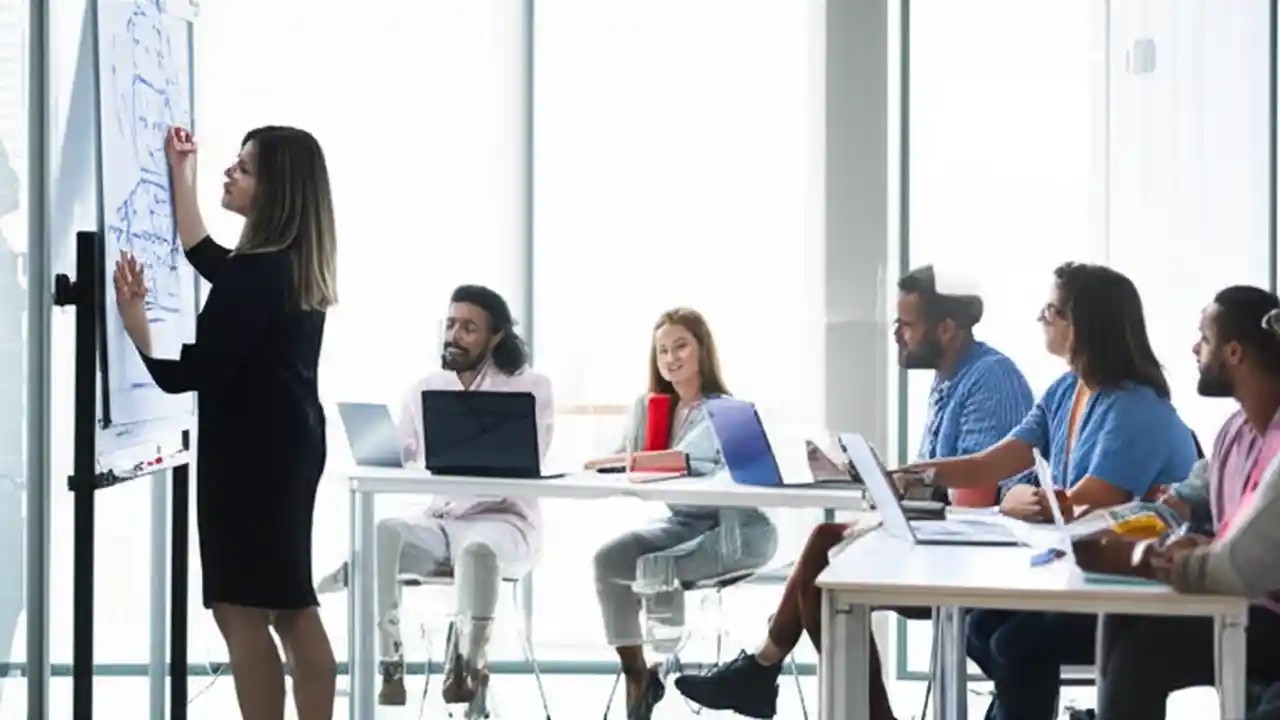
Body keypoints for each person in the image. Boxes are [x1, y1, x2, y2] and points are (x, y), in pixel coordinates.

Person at [673, 265, 1034, 720]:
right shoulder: (950, 379)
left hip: (979, 560)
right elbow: (941, 484)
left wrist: (892, 490)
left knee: (828, 561)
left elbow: (976, 492)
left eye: (907, 324)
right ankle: (764, 672)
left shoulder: (990, 377)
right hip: (955, 545)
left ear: (946, 329)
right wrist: (875, 480)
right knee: (827, 545)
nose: (898, 335)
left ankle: (763, 672)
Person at [112, 126, 338, 720]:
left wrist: (138, 326)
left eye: (244, 168)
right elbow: (200, 251)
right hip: (285, 450)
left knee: (242, 609)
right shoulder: (282, 265)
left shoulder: (256, 273)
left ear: (277, 190)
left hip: (251, 459)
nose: (229, 173)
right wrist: (182, 173)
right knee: (288, 603)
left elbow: (190, 373)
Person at [906, 263, 1197, 720]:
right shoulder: (1067, 390)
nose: (1042, 319)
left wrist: (1013, 501)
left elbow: (1082, 503)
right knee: (978, 625)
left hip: (1136, 594)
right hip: (1080, 576)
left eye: (1052, 310)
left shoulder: (1136, 408)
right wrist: (908, 475)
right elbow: (990, 463)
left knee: (1013, 641)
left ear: (1085, 324)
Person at [316, 285, 553, 709]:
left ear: (494, 336)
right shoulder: (425, 387)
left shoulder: (530, 387)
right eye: (450, 324)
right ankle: (391, 662)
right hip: (443, 523)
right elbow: (405, 455)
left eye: (468, 327)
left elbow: (532, 457)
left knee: (479, 550)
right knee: (384, 533)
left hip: (506, 522)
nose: (455, 335)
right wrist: (378, 446)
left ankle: (468, 665)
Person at [1075, 286, 1280, 720]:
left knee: (1144, 651)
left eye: (1203, 339)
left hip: (1264, 612)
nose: (1194, 348)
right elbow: (1177, 505)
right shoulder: (1234, 433)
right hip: (1243, 606)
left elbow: (1239, 567)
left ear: (1235, 353)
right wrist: (1099, 527)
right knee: (1123, 620)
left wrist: (1139, 557)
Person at [586, 307, 778, 720]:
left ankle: (663, 664)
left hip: (738, 528)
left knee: (654, 564)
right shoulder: (650, 408)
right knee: (609, 560)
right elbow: (625, 460)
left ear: (701, 351)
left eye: (680, 347)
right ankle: (638, 674)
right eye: (662, 351)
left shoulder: (729, 410)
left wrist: (661, 463)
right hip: (684, 524)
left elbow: (742, 475)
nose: (671, 358)